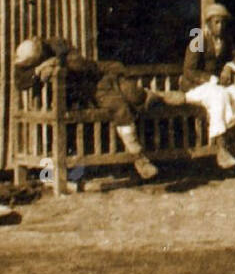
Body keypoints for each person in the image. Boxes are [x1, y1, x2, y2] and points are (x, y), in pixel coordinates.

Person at [13, 37, 178, 181]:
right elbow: (20, 82)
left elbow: (79, 63)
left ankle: (158, 97)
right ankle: (140, 159)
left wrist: (55, 63)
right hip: (86, 93)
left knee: (135, 95)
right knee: (120, 107)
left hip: (100, 77)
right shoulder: (24, 60)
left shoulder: (57, 44)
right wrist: (37, 70)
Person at [180, 3, 235, 169]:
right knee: (219, 96)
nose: (220, 26)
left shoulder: (227, 40)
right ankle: (221, 148)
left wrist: (229, 66)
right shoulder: (198, 39)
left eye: (223, 22)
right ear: (208, 23)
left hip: (217, 86)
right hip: (196, 87)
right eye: (216, 22)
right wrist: (212, 79)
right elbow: (189, 71)